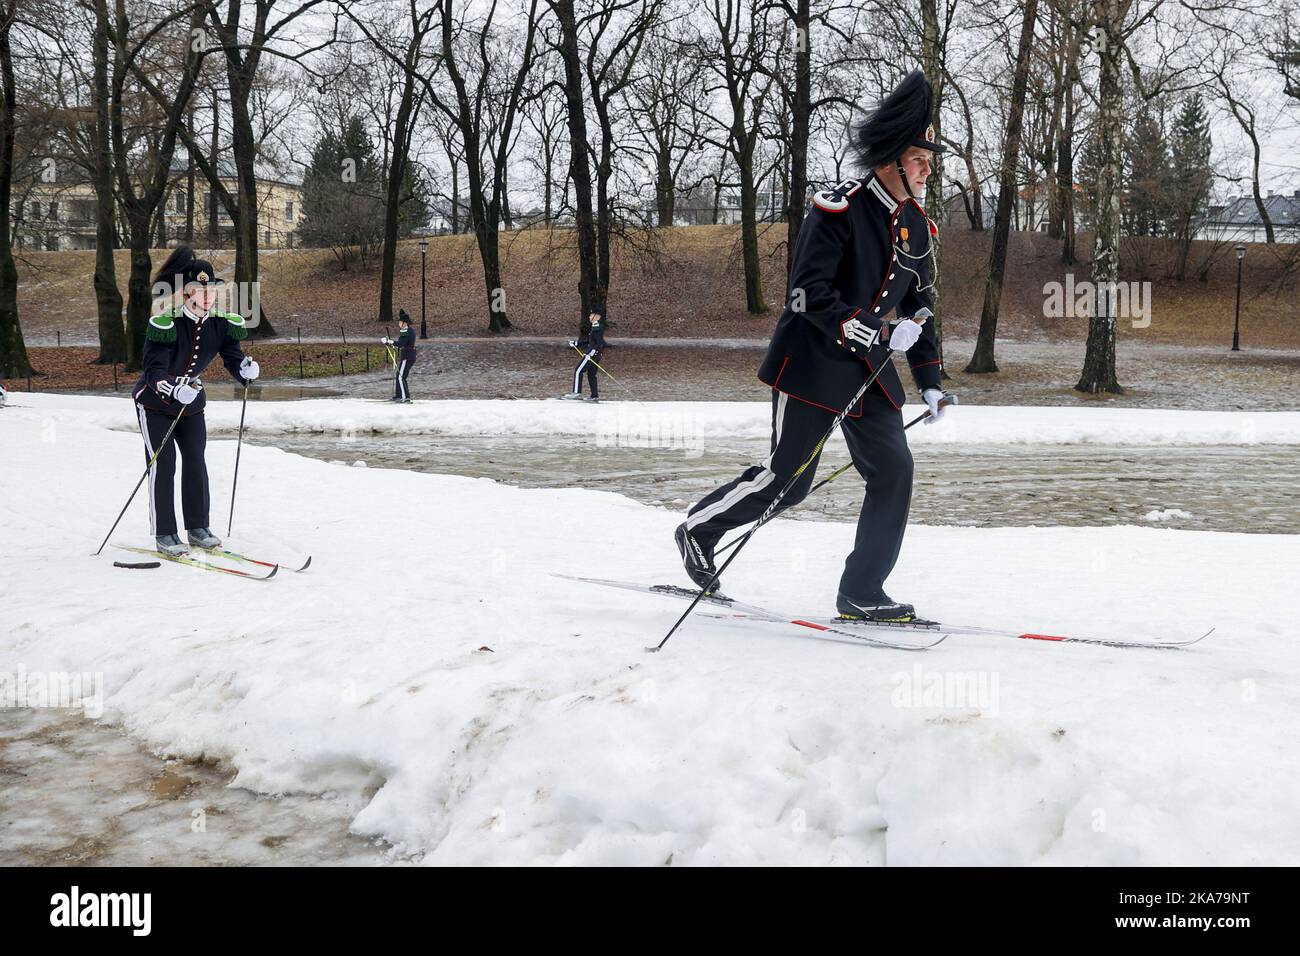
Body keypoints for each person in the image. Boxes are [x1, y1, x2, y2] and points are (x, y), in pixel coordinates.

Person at [674, 70, 954, 623]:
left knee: (894, 470)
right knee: (790, 480)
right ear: (892, 160)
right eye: (920, 159)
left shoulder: (919, 227)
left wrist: (931, 381)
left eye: (928, 161)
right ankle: (698, 530)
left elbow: (921, 308)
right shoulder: (839, 209)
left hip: (870, 372)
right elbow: (806, 294)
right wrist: (873, 329)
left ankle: (862, 591)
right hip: (813, 361)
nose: (927, 170)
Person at [133, 246, 259, 557]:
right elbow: (153, 372)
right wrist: (173, 390)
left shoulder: (221, 323)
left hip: (193, 403)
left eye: (211, 290)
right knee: (163, 464)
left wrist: (245, 371)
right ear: (186, 293)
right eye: (198, 290)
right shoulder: (165, 324)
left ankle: (198, 527)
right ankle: (165, 533)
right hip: (155, 403)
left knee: (195, 460)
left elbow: (233, 358)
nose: (206, 297)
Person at [564, 313, 606, 402]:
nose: (589, 317)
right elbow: (590, 341)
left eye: (592, 315)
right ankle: (594, 395)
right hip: (595, 355)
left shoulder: (598, 327)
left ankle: (576, 393)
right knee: (591, 375)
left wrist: (593, 352)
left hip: (591, 355)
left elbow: (600, 343)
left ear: (597, 317)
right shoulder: (595, 326)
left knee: (578, 370)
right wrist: (577, 343)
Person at [382, 310, 417, 403]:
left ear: (404, 323)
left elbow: (401, 343)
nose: (399, 323)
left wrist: (389, 341)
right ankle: (399, 395)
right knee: (399, 375)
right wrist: (390, 343)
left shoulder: (408, 331)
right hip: (407, 356)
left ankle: (405, 397)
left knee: (401, 377)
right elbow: (400, 343)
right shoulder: (405, 330)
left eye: (400, 321)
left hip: (408, 356)